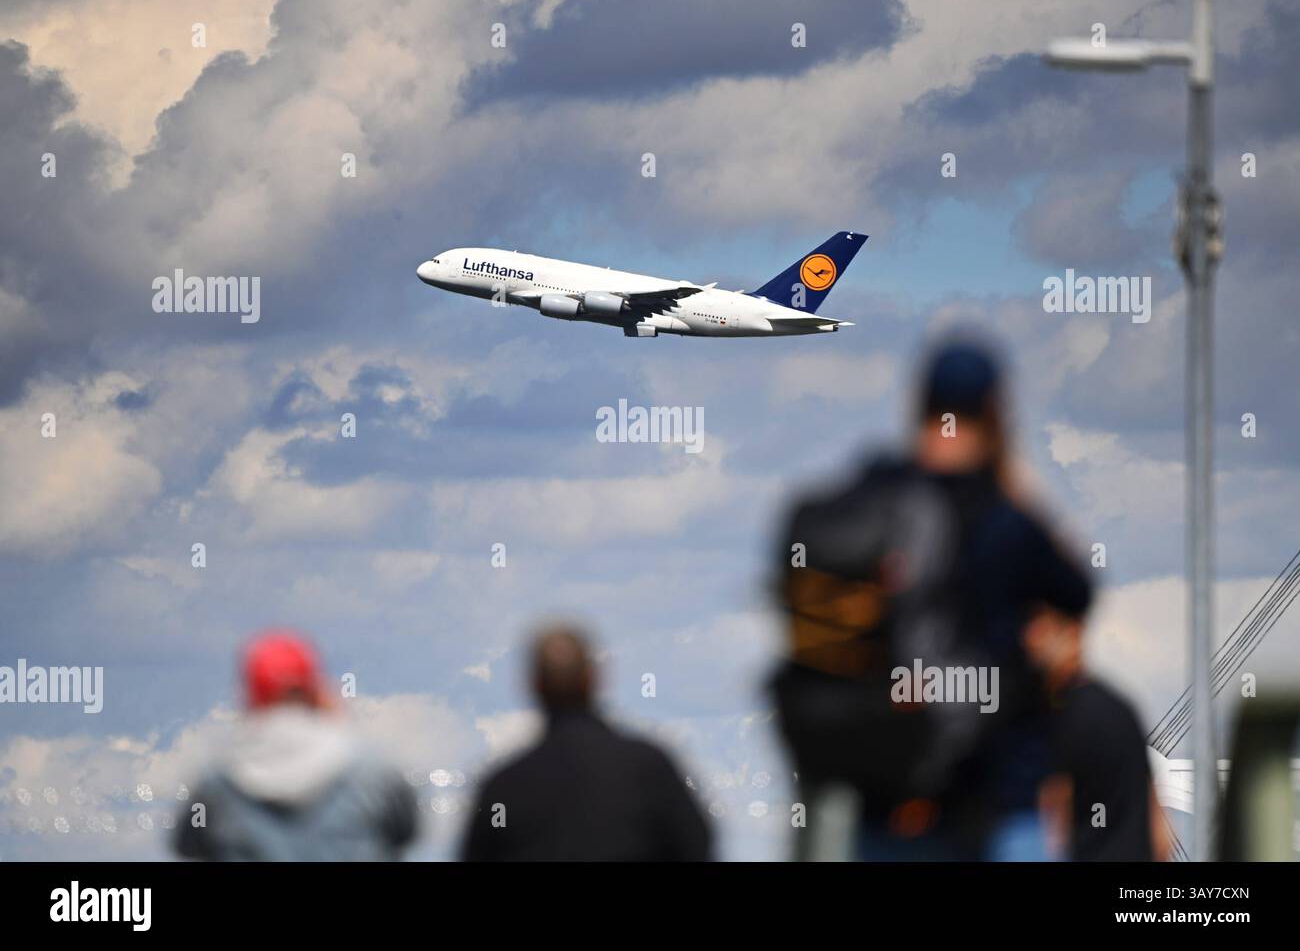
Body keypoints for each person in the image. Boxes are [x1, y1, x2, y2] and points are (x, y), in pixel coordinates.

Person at [771, 335, 1093, 861]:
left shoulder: (870, 502)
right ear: (996, 412)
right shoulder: (1004, 521)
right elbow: (1076, 592)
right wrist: (1012, 480)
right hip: (993, 806)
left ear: (916, 405)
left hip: (884, 812)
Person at [460, 624, 711, 861]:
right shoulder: (650, 767)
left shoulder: (502, 787)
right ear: (592, 678)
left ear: (535, 686)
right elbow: (697, 845)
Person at [174, 629, 417, 861]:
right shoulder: (371, 774)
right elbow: (406, 830)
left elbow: (186, 845)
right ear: (316, 691)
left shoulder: (218, 785)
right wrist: (339, 729)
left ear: (249, 696)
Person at [1024, 607, 1172, 861]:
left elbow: (1052, 825)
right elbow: (1161, 837)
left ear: (1072, 634)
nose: (1029, 643)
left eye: (1039, 630)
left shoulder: (1056, 717)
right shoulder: (1122, 709)